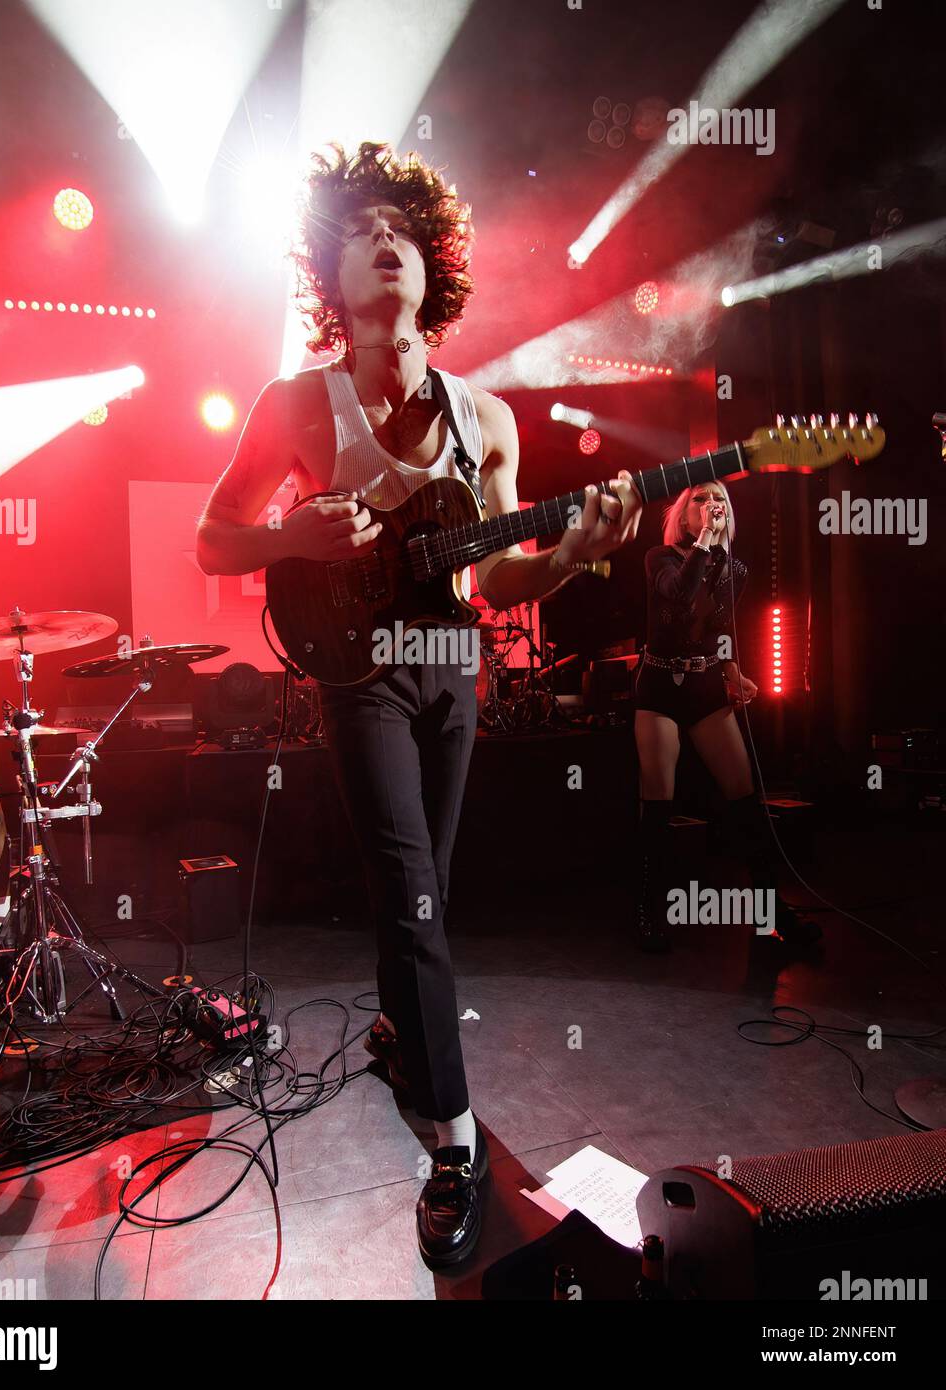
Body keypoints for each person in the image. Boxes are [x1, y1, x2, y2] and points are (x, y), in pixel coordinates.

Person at [197, 141, 641, 1268]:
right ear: (327, 275)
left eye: (398, 231)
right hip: (357, 669)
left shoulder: (483, 416)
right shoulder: (296, 405)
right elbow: (212, 536)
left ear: (427, 266)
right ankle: (450, 1145)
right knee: (409, 886)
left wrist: (579, 554)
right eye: (356, 233)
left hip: (451, 661)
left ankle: (401, 1027)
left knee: (423, 889)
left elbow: (500, 576)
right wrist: (284, 535)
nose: (379, 244)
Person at [633, 483, 817, 952]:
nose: (709, 505)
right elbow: (676, 600)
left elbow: (718, 629)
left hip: (704, 684)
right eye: (698, 499)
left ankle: (772, 915)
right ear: (683, 513)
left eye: (718, 499)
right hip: (658, 687)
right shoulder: (661, 557)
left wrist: (735, 672)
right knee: (658, 801)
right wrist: (702, 546)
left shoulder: (734, 567)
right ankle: (650, 912)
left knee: (745, 798)